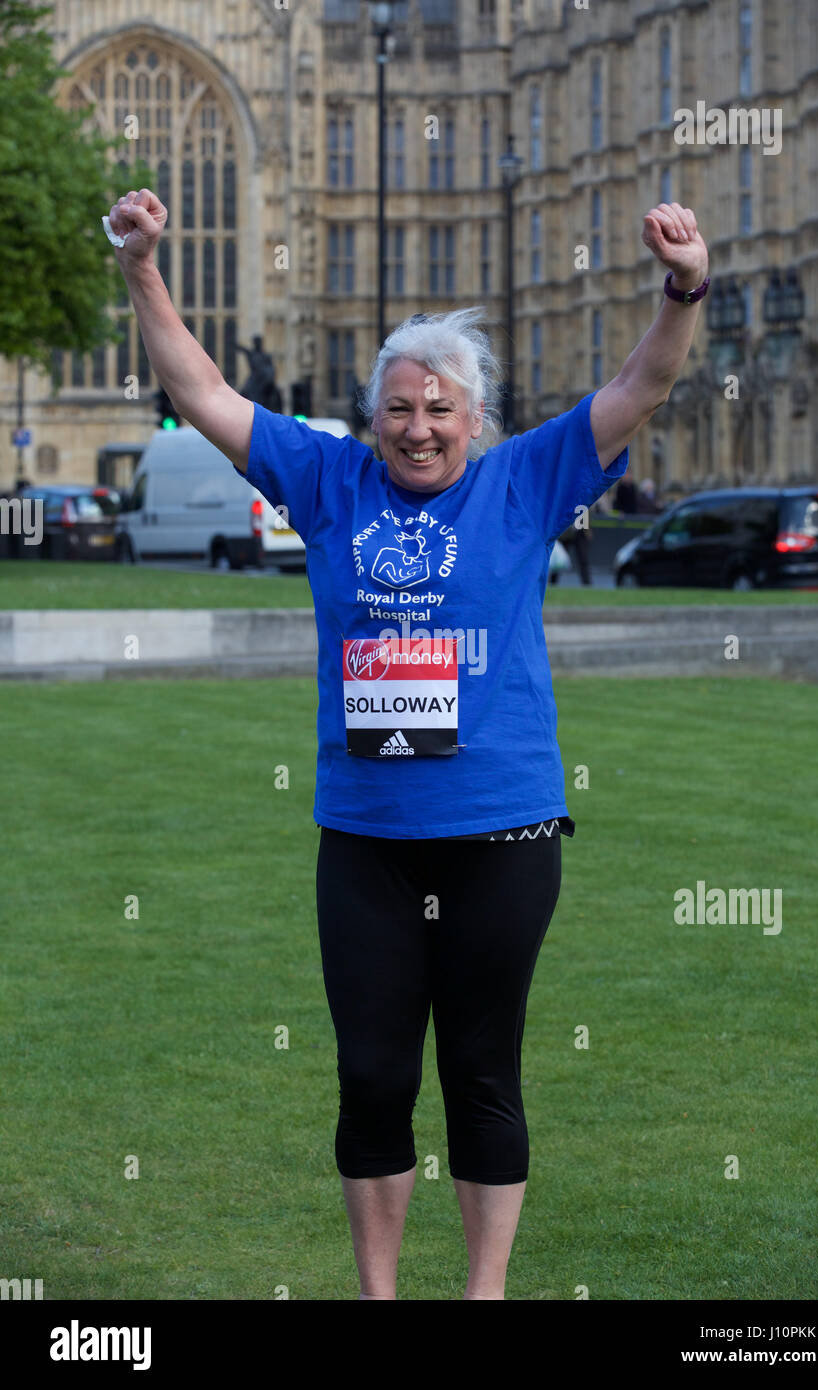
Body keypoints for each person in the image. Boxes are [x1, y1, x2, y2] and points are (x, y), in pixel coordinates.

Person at [106, 188, 709, 1299]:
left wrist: (680, 287)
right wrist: (144, 262)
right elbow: (197, 389)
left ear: (473, 418)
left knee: (482, 1074)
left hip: (502, 829)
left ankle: (480, 1298)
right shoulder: (329, 482)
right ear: (370, 415)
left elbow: (643, 385)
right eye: (398, 409)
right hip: (368, 840)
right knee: (372, 1076)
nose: (418, 427)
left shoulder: (526, 479)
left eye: (439, 410)